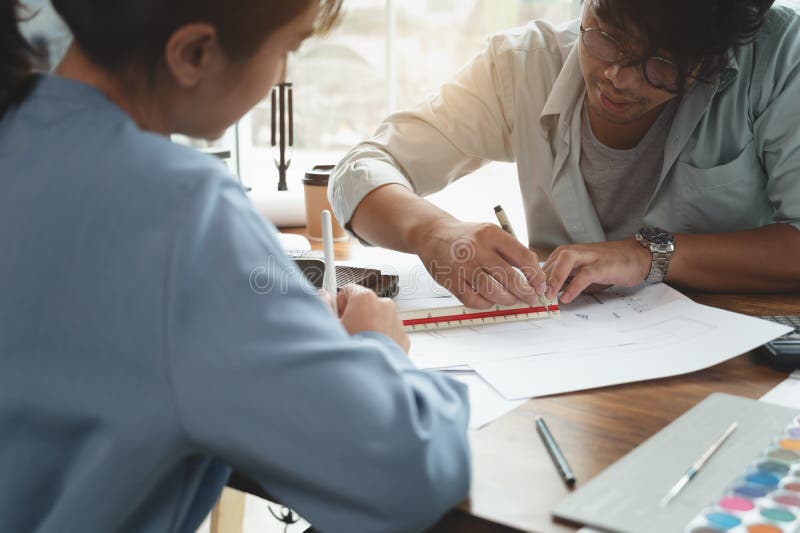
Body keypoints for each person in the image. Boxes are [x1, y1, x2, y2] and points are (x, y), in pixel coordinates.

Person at [0, 1, 471, 532]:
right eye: (289, 48)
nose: (283, 75)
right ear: (193, 53)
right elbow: (411, 469)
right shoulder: (179, 211)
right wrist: (379, 347)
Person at [329, 0, 800, 308]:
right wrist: (431, 230)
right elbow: (359, 171)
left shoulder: (778, 58)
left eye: (660, 64)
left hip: (737, 366)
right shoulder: (523, 67)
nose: (619, 77)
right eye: (607, 36)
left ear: (713, 59)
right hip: (563, 361)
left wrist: (647, 256)